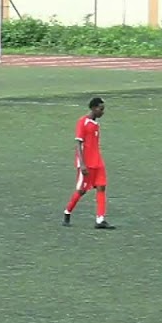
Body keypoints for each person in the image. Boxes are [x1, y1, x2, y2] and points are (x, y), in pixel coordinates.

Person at [63, 97, 114, 229]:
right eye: (101, 109)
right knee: (81, 191)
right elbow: (78, 144)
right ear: (93, 108)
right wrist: (82, 164)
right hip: (87, 164)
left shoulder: (96, 124)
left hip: (98, 162)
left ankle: (100, 219)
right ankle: (67, 212)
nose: (103, 112)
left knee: (101, 187)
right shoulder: (82, 122)